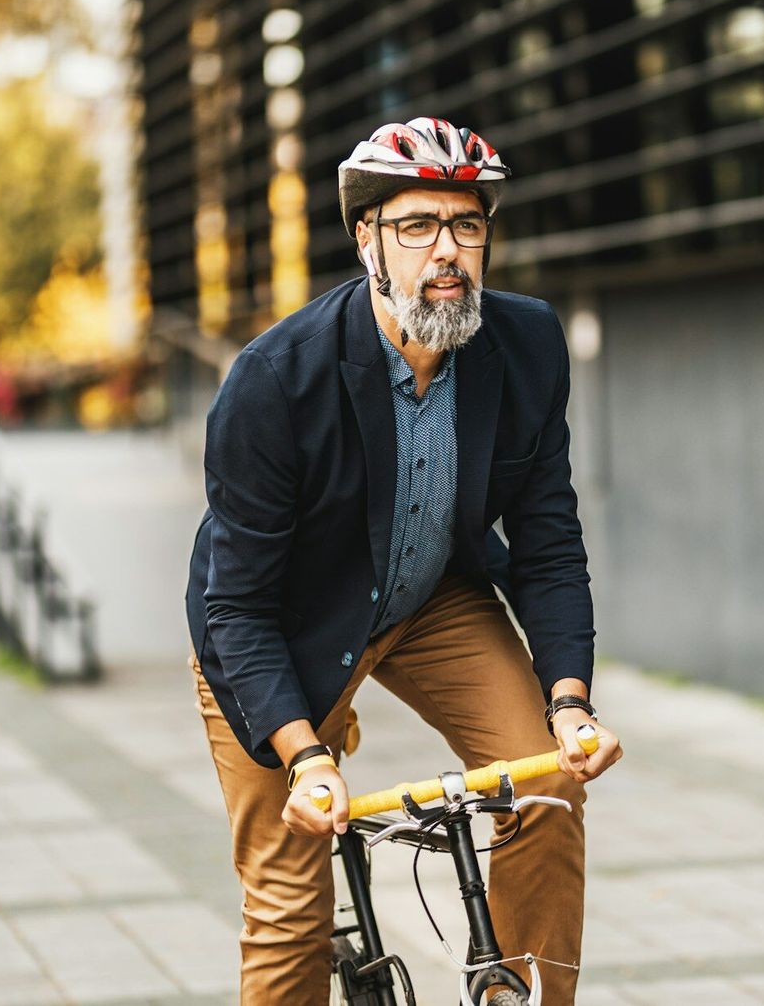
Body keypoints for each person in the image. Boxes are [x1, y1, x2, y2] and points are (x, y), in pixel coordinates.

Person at [184, 116, 622, 1005]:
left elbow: (547, 539)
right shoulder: (275, 382)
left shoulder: (527, 345)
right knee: (288, 897)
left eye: (466, 225)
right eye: (417, 226)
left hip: (432, 598)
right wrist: (305, 757)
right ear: (367, 241)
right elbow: (237, 608)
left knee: (545, 791)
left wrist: (569, 701)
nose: (447, 251)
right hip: (282, 625)